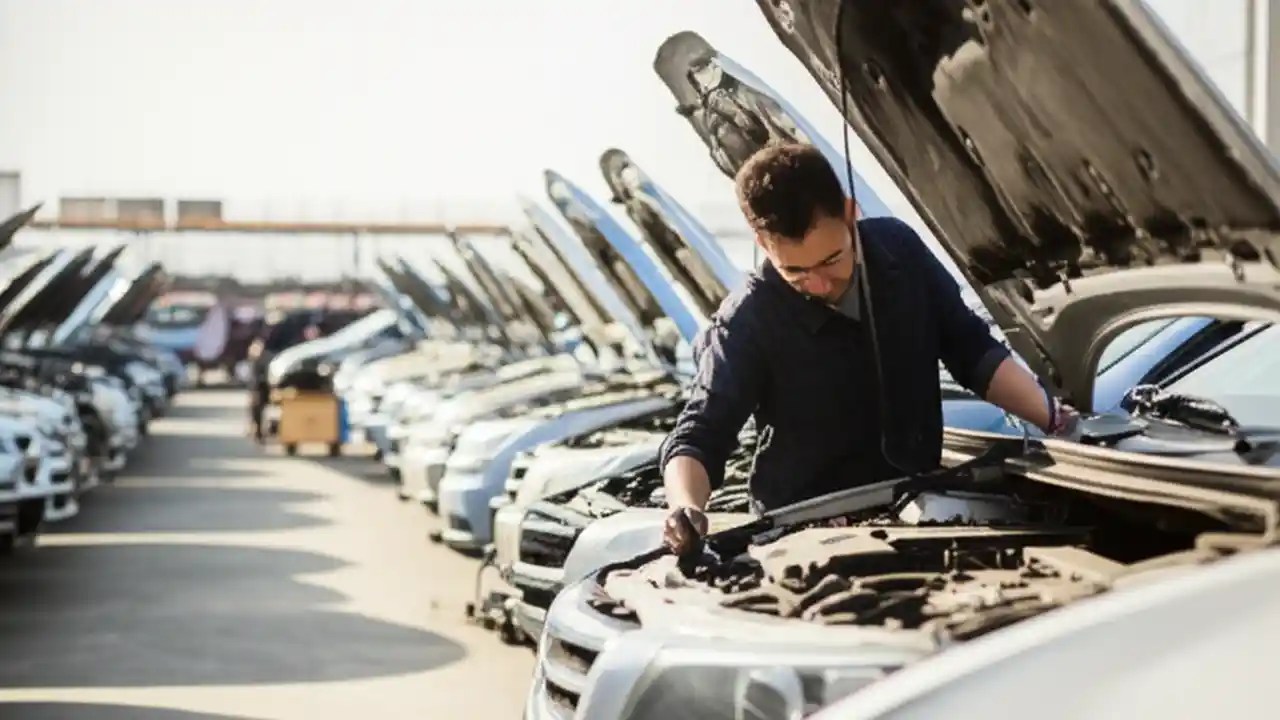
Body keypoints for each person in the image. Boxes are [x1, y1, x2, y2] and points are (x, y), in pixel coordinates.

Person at [660, 143, 1076, 554]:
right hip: (805, 534)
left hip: (924, 511)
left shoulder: (901, 250)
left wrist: (1054, 419)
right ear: (763, 243)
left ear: (850, 211)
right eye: (796, 272)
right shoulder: (746, 321)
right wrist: (685, 507)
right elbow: (700, 434)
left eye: (831, 260)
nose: (820, 284)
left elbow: (973, 352)